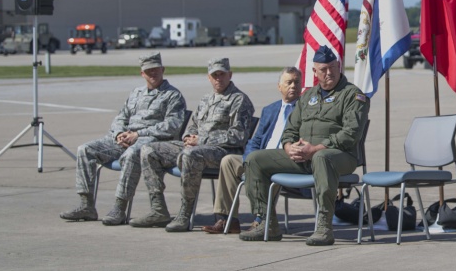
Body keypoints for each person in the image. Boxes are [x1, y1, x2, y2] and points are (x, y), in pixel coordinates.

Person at [240, 46, 368, 245]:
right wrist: (289, 146)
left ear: (339, 66)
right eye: (323, 69)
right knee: (255, 160)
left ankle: (324, 226)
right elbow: (290, 129)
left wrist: (316, 149)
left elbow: (351, 134)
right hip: (303, 157)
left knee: (321, 158)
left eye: (333, 67)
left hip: (338, 156)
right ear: (314, 72)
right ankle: (267, 222)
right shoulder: (307, 97)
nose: (329, 73)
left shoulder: (352, 95)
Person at [59, 52, 186, 225]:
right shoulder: (136, 93)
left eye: (156, 70)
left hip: (152, 141)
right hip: (126, 137)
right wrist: (118, 133)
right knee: (85, 149)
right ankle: (86, 205)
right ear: (142, 73)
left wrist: (138, 134)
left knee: (131, 154)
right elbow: (121, 117)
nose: (153, 74)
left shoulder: (173, 95)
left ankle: (119, 208)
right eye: (148, 71)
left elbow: (173, 125)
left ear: (163, 70)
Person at [132, 58, 255, 231]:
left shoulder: (239, 100)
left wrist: (201, 140)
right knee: (149, 150)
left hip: (223, 152)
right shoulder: (206, 99)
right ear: (209, 78)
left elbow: (238, 136)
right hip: (197, 147)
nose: (218, 78)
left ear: (230, 75)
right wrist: (188, 137)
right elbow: (193, 125)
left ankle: (185, 213)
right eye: (214, 75)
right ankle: (158, 208)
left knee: (190, 155)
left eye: (222, 74)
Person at [202, 66, 303, 234]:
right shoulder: (270, 110)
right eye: (289, 82)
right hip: (259, 157)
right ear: (279, 86)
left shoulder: (304, 110)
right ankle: (228, 219)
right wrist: (249, 158)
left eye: (296, 82)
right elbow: (255, 140)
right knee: (228, 161)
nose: (293, 86)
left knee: (263, 166)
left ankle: (261, 219)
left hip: (283, 159)